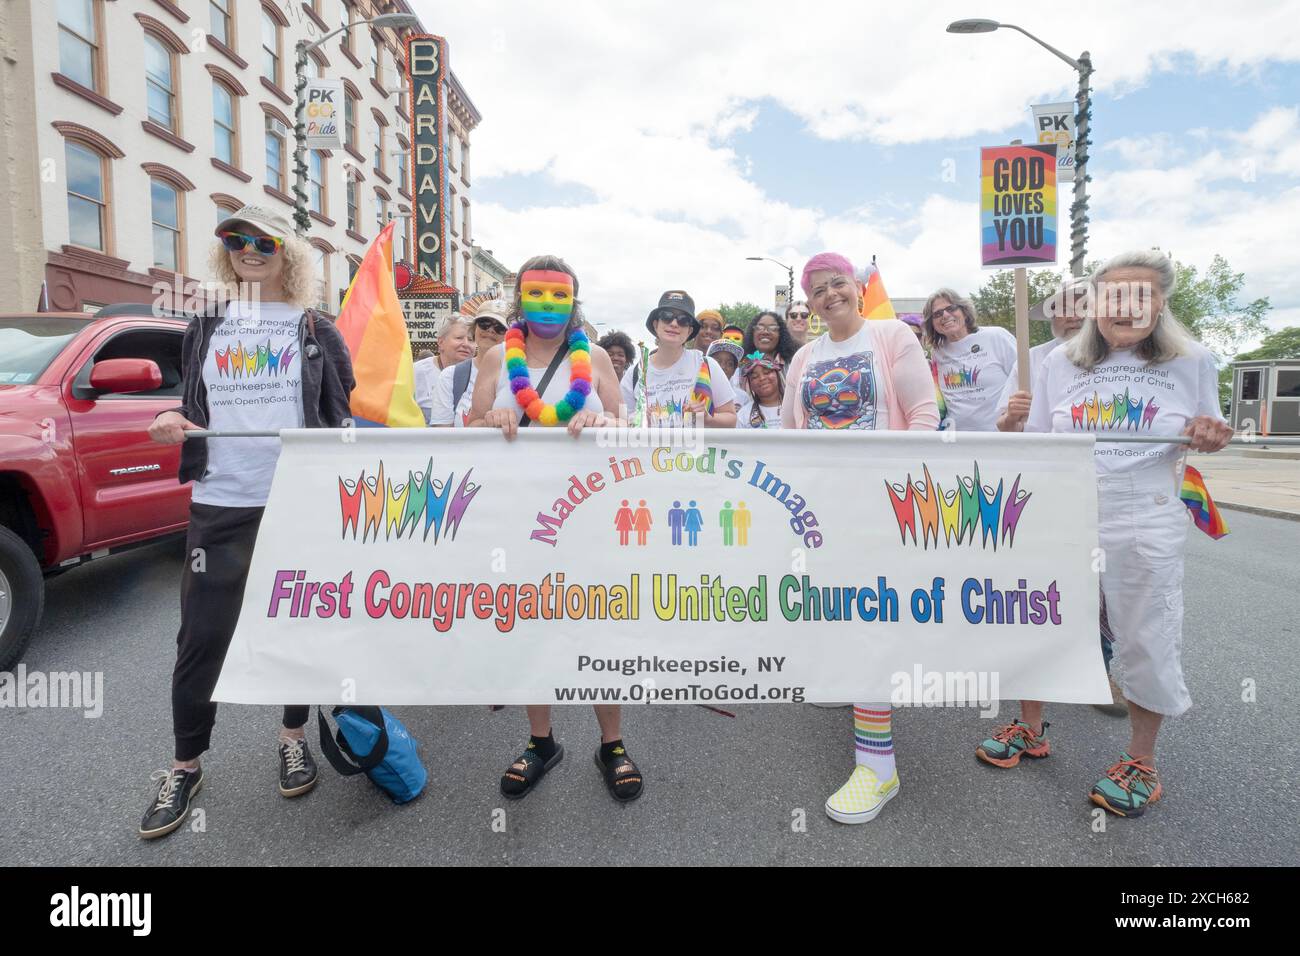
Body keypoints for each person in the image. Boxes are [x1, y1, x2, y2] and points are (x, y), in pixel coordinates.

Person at [974, 249, 1232, 818]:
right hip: (1065, 509)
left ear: (1160, 303)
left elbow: (1206, 433)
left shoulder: (1193, 361)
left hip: (1146, 513)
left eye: (1141, 294)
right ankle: (1032, 728)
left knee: (1146, 635)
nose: (1126, 305)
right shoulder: (1059, 363)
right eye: (1114, 293)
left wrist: (1212, 435)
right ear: (1094, 303)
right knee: (1041, 617)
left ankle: (1141, 760)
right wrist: (1013, 422)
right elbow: (1038, 443)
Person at [140, 204, 356, 839]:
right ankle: (184, 764)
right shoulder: (206, 323)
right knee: (202, 635)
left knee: (297, 624)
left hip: (298, 500)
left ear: (285, 253)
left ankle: (293, 737)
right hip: (222, 499)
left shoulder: (315, 327)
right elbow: (188, 408)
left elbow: (342, 412)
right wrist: (169, 423)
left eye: (263, 240)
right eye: (236, 239)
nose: (248, 249)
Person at [466, 254, 643, 803]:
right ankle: (541, 741)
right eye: (536, 294)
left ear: (573, 300)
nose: (547, 304)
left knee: (595, 623)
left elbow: (627, 426)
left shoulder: (594, 359)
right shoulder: (496, 357)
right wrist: (491, 419)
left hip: (586, 517)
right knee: (531, 623)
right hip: (518, 518)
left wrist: (603, 420)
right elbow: (467, 428)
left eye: (558, 295)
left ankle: (611, 743)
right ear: (521, 298)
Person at [782, 252, 938, 826]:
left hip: (883, 506)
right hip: (824, 507)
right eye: (817, 290)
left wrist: (899, 489)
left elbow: (924, 415)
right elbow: (791, 436)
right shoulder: (805, 356)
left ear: (856, 286)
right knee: (838, 612)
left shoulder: (892, 335)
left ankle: (878, 767)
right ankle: (849, 684)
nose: (828, 295)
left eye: (837, 284)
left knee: (871, 619)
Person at [620, 290, 737, 429]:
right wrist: (640, 420)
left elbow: (731, 419)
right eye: (667, 316)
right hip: (649, 450)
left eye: (683, 320)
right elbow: (619, 422)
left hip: (698, 451)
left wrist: (707, 418)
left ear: (689, 331)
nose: (674, 323)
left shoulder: (706, 365)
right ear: (656, 325)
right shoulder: (635, 373)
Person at [923, 289, 1016, 432]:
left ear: (964, 311)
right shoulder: (937, 352)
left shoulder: (996, 336)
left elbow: (1025, 377)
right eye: (937, 314)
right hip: (957, 440)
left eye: (951, 308)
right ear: (932, 324)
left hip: (999, 435)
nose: (945, 315)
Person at [430, 299, 508, 427]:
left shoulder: (522, 375)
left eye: (500, 328)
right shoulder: (451, 376)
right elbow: (442, 436)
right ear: (474, 329)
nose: (490, 330)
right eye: (484, 323)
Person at [414, 317, 473, 424]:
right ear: (441, 342)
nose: (466, 344)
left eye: (471, 339)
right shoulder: (416, 373)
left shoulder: (481, 374)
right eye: (459, 338)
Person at [736, 352, 785, 429]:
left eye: (767, 372)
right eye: (755, 377)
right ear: (750, 384)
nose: (762, 378)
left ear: (777, 374)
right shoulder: (743, 415)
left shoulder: (795, 407)